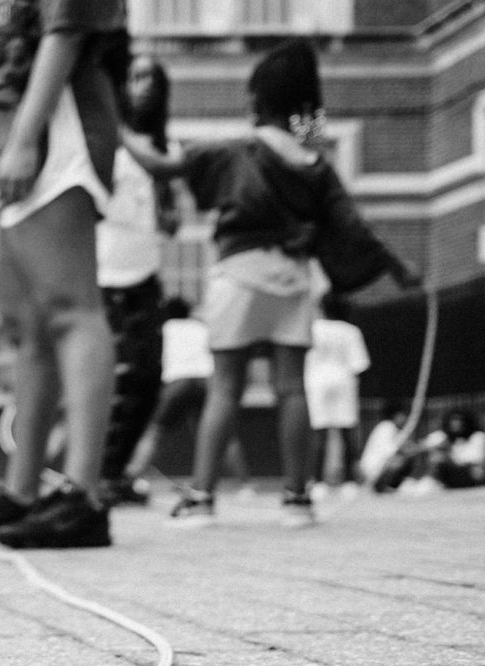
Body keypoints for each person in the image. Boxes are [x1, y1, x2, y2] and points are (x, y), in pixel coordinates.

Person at [119, 38, 418, 528]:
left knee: (224, 387)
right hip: (294, 279)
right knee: (291, 388)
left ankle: (201, 499)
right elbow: (353, 229)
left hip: (238, 277)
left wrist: (114, 121)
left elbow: (161, 165)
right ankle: (297, 499)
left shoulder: (237, 151)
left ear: (258, 100)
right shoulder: (315, 164)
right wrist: (397, 268)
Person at [0, 0, 130, 548]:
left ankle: (83, 493)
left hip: (51, 117)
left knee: (72, 310)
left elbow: (68, 26)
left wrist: (25, 137)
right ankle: (22, 489)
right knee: (26, 328)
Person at [96, 53, 180, 508]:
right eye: (134, 75)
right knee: (113, 379)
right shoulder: (107, 137)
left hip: (145, 274)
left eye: (149, 76)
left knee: (149, 378)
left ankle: (115, 472)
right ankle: (93, 474)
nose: (141, 85)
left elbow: (171, 218)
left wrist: (169, 213)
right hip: (103, 274)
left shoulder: (163, 146)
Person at [120, 299, 251, 498]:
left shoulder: (164, 328)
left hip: (177, 381)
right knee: (224, 434)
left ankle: (130, 477)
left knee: (156, 432)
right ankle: (245, 483)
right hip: (207, 379)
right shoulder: (200, 327)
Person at [305, 295, 370, 500]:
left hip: (316, 381)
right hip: (343, 380)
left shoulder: (312, 329)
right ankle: (349, 481)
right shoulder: (350, 331)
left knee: (319, 431)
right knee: (347, 430)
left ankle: (317, 481)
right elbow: (359, 363)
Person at [360, 401, 409, 491]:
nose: (405, 418)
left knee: (401, 458)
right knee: (401, 459)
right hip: (375, 468)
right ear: (396, 415)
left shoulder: (392, 428)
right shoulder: (387, 427)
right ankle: (378, 485)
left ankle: (386, 485)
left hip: (377, 468)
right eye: (403, 415)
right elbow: (392, 453)